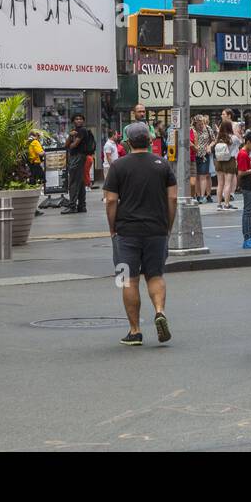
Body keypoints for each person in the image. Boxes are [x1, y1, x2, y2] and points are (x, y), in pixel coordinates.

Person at [103, 123, 175, 347]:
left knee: (127, 280)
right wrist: (168, 225)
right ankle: (160, 311)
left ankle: (135, 331)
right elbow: (172, 199)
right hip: (157, 230)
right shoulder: (163, 165)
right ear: (150, 140)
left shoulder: (118, 166)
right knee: (155, 275)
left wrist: (112, 228)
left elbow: (111, 200)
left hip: (127, 231)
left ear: (127, 142)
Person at [61, 114, 95, 214]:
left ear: (83, 121)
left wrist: (72, 139)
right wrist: (71, 136)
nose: (79, 121)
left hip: (78, 157)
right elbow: (66, 145)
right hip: (78, 157)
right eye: (76, 119)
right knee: (80, 183)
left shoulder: (82, 131)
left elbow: (72, 145)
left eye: (81, 119)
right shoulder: (74, 131)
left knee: (73, 182)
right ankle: (81, 206)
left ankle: (72, 206)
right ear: (73, 121)